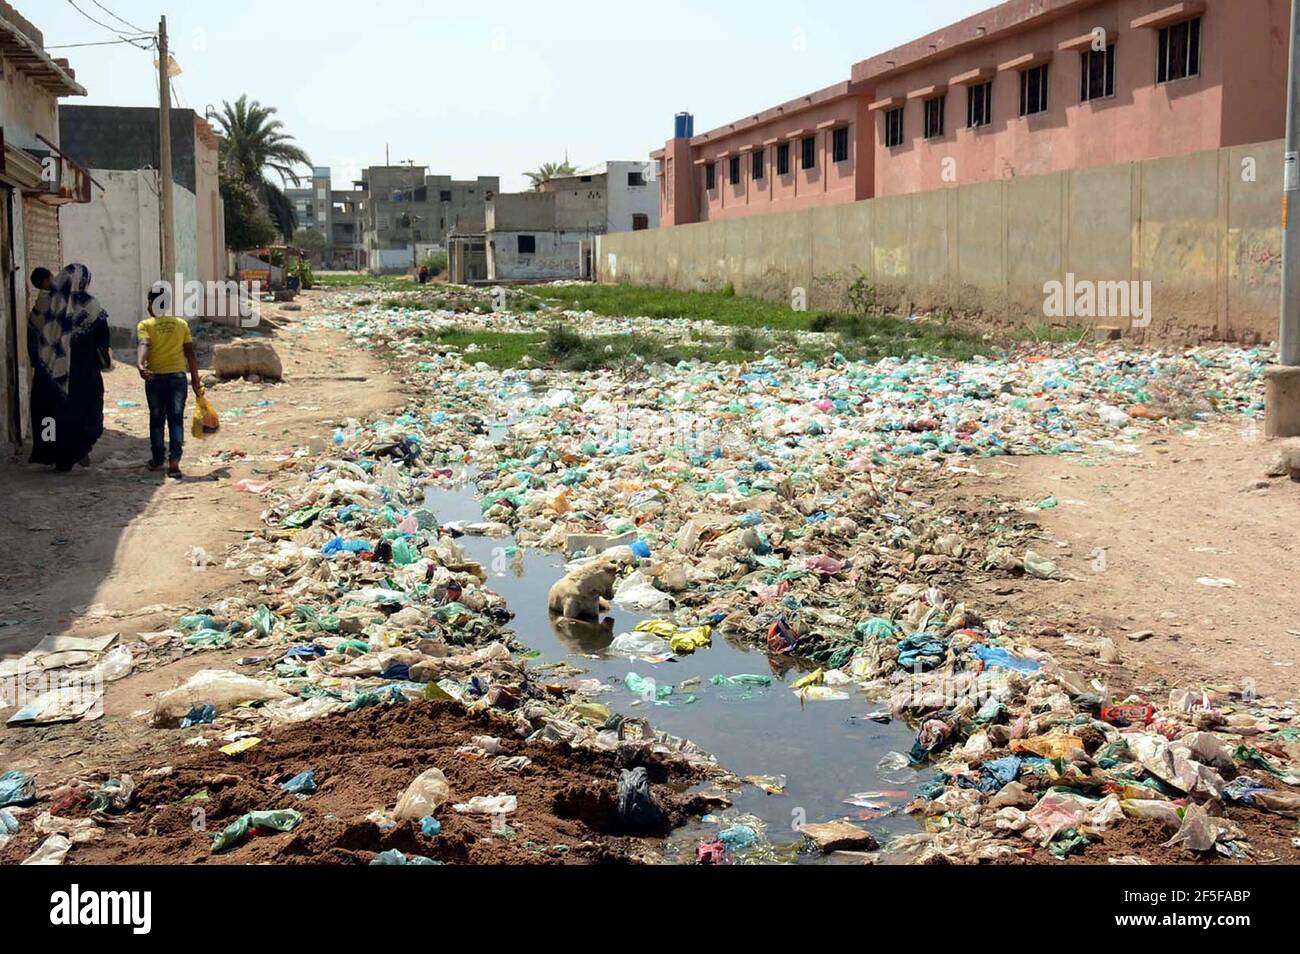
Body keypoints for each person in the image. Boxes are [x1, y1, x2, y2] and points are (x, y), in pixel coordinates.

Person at [27, 264, 110, 471]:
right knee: (83, 413)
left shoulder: (45, 305)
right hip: (82, 374)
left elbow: (32, 335)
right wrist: (103, 361)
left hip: (48, 374)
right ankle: (77, 450)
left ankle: (53, 454)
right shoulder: (90, 306)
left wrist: (39, 361)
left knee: (49, 414)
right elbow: (103, 338)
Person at [137, 286, 202, 478]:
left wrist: (141, 365)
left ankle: (158, 459)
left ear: (150, 304)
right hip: (177, 379)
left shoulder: (145, 325)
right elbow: (190, 354)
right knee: (176, 419)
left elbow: (144, 344)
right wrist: (196, 381)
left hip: (154, 378)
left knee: (156, 419)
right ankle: (174, 462)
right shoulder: (181, 324)